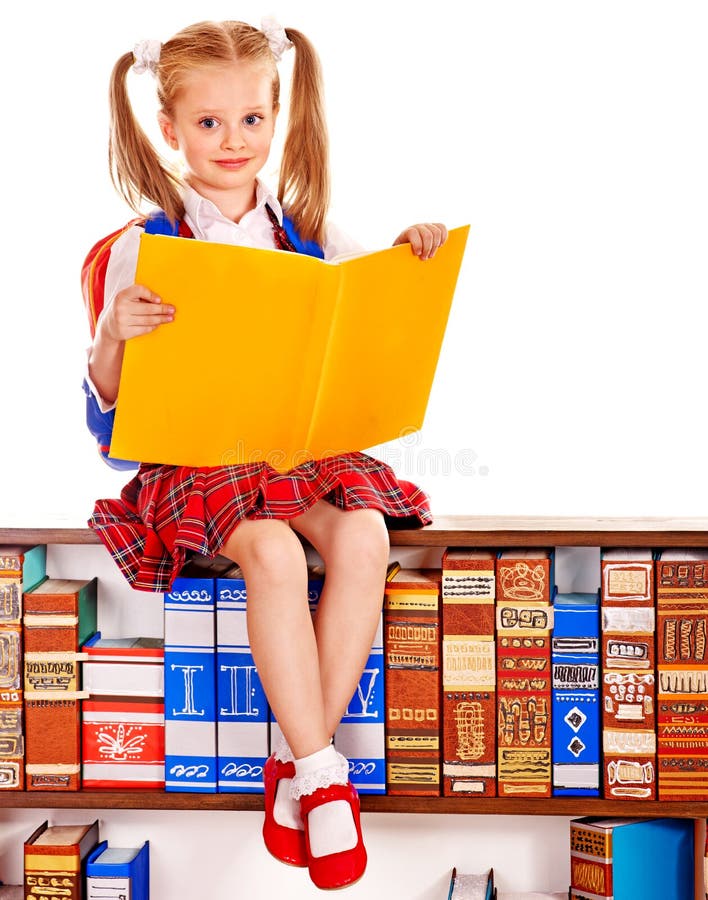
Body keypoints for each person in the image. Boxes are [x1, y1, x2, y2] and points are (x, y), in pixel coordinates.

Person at [84, 17, 447, 892]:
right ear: (170, 131)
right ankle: (323, 774)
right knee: (277, 553)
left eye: (251, 119)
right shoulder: (148, 245)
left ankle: (294, 761)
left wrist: (415, 251)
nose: (233, 141)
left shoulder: (309, 234)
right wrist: (113, 335)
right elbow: (106, 420)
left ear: (276, 116)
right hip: (200, 472)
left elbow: (381, 296)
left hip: (291, 458)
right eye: (209, 124)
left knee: (364, 533)